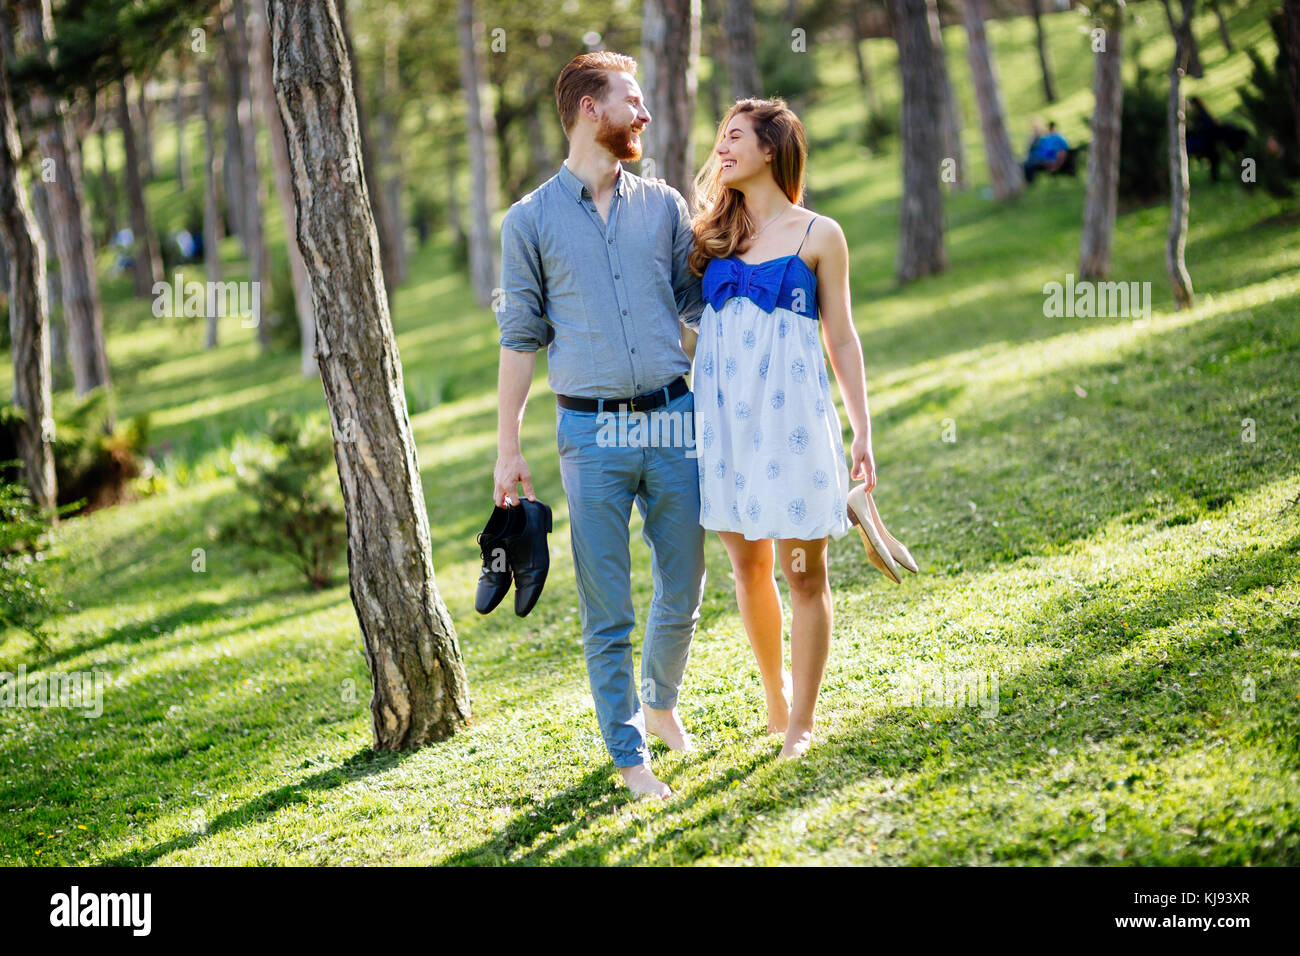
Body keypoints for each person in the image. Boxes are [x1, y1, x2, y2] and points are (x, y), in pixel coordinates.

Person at [492, 52, 706, 800]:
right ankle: (629, 756)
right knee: (607, 606)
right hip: (590, 435)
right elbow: (520, 337)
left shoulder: (665, 205)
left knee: (684, 582)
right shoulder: (528, 221)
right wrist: (508, 447)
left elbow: (695, 308)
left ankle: (661, 701)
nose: (643, 115)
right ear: (591, 109)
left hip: (674, 418)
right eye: (632, 101)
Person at [688, 98, 877, 760]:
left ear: (772, 149)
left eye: (735, 137)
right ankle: (774, 700)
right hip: (724, 422)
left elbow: (843, 338)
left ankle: (802, 721)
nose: (722, 149)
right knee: (749, 565)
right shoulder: (710, 237)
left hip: (792, 419)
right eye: (720, 137)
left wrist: (862, 430)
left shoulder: (819, 233)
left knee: (803, 573)